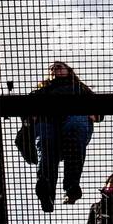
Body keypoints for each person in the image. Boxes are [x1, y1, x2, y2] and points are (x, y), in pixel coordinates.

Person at [29, 61, 101, 212]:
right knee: (45, 143)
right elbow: (29, 104)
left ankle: (71, 186)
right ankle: (46, 192)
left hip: (73, 122)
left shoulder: (80, 88)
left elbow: (98, 110)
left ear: (69, 70)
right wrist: (30, 117)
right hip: (49, 123)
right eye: (52, 68)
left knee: (75, 126)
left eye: (59, 66)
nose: (55, 69)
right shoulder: (44, 88)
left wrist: (94, 114)